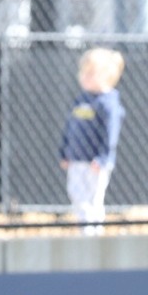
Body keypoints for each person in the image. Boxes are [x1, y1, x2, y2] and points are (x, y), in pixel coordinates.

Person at [59, 47, 125, 234]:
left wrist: (104, 158)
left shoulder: (108, 104)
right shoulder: (81, 100)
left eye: (90, 73)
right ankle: (86, 228)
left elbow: (110, 135)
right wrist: (64, 152)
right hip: (77, 160)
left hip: (95, 163)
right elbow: (70, 128)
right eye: (83, 72)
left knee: (93, 198)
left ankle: (94, 231)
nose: (83, 77)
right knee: (76, 194)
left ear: (105, 76)